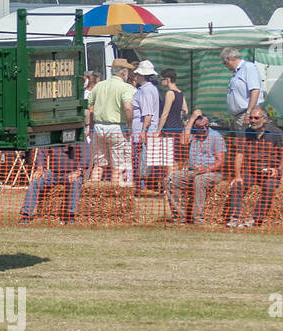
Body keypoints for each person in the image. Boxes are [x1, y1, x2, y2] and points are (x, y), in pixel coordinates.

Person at [224, 106, 283, 228]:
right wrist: (237, 176)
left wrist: (278, 170)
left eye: (256, 118)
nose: (253, 120)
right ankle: (235, 218)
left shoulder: (276, 132)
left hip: (270, 171)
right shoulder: (245, 133)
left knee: (269, 186)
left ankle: (256, 219)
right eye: (251, 117)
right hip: (252, 172)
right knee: (237, 185)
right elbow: (239, 154)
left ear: (265, 119)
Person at [164, 110, 227, 225]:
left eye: (207, 126)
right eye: (201, 127)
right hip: (193, 171)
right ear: (195, 127)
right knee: (171, 178)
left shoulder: (216, 136)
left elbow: (221, 162)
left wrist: (206, 169)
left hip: (212, 172)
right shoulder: (192, 134)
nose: (204, 129)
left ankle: (198, 219)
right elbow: (182, 141)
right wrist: (192, 119)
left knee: (200, 180)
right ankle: (179, 217)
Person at [86, 58, 135, 186]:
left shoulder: (99, 85)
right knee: (117, 166)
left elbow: (90, 108)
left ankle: (92, 196)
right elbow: (128, 107)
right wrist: (130, 126)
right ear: (123, 73)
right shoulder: (125, 87)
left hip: (98, 127)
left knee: (98, 165)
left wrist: (90, 126)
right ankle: (115, 197)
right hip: (116, 128)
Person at [19, 143, 86, 224]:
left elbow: (86, 155)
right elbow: (42, 151)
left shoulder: (79, 135)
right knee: (35, 181)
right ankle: (26, 214)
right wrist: (40, 168)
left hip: (72, 172)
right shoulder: (53, 135)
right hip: (53, 173)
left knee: (76, 182)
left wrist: (78, 171)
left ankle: (70, 215)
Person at [130, 60, 161, 190]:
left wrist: (143, 131)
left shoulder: (146, 90)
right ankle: (146, 186)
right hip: (146, 130)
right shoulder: (150, 89)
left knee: (142, 161)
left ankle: (143, 187)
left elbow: (147, 114)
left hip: (143, 131)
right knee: (146, 160)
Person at [221, 47, 261, 131]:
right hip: (239, 116)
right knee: (241, 142)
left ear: (228, 59)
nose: (226, 66)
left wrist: (248, 113)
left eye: (225, 63)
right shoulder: (237, 72)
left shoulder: (248, 67)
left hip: (246, 114)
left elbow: (255, 90)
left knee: (247, 142)